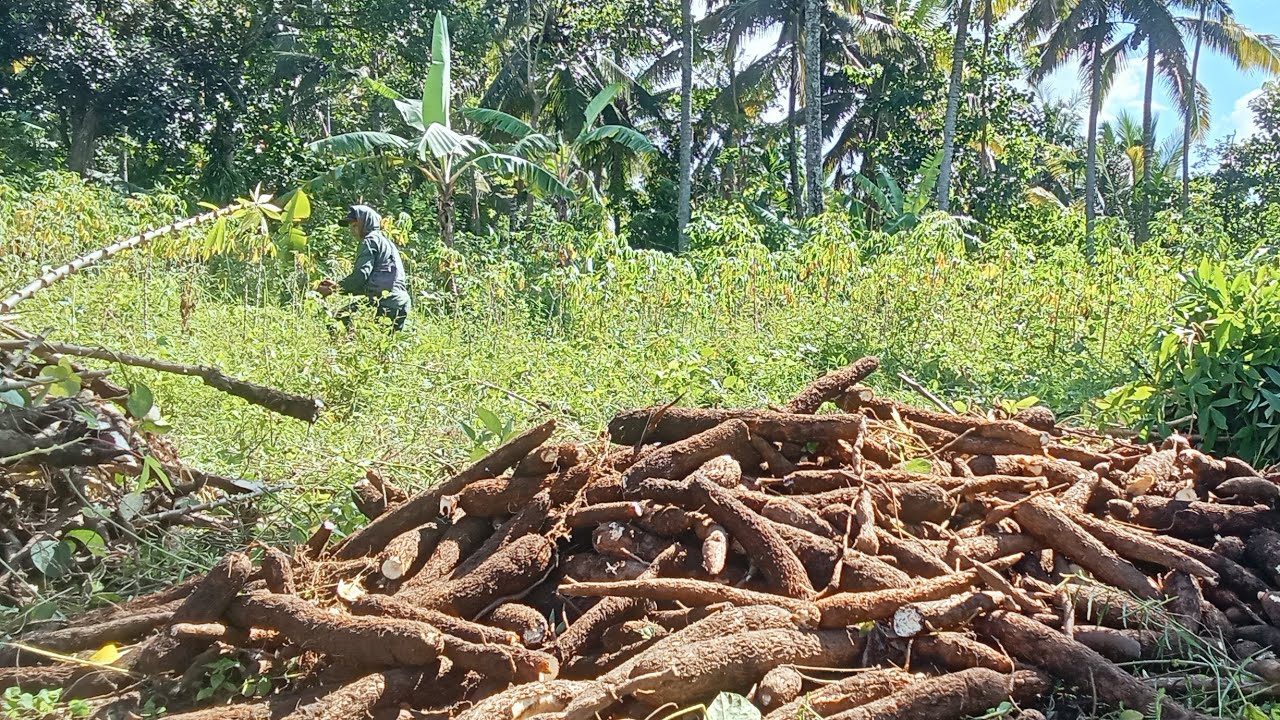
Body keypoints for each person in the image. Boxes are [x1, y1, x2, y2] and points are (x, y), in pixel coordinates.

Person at [318, 205, 411, 332]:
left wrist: (333, 289)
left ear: (366, 223)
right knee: (388, 345)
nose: (353, 231)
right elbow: (378, 282)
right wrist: (337, 287)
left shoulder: (369, 241)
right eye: (351, 227)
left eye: (355, 226)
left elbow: (361, 275)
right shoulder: (386, 242)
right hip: (401, 301)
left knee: (336, 323)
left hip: (384, 302)